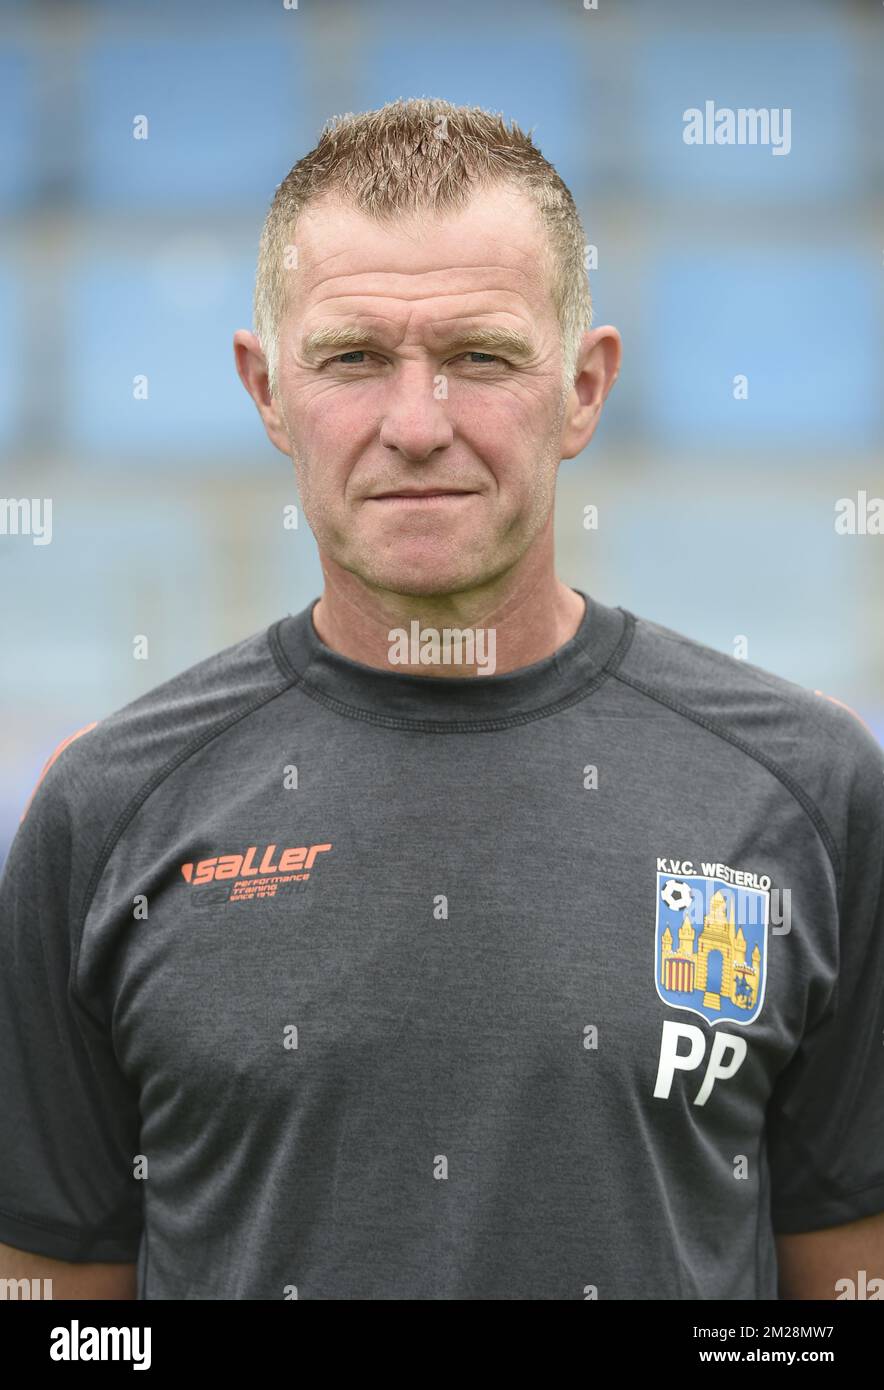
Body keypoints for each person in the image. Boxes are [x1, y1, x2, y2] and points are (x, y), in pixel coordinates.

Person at [1, 97, 882, 1301]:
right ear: (267, 391)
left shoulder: (808, 791)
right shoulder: (103, 811)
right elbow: (56, 1307)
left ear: (581, 386)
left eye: (480, 356)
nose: (417, 426)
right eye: (353, 358)